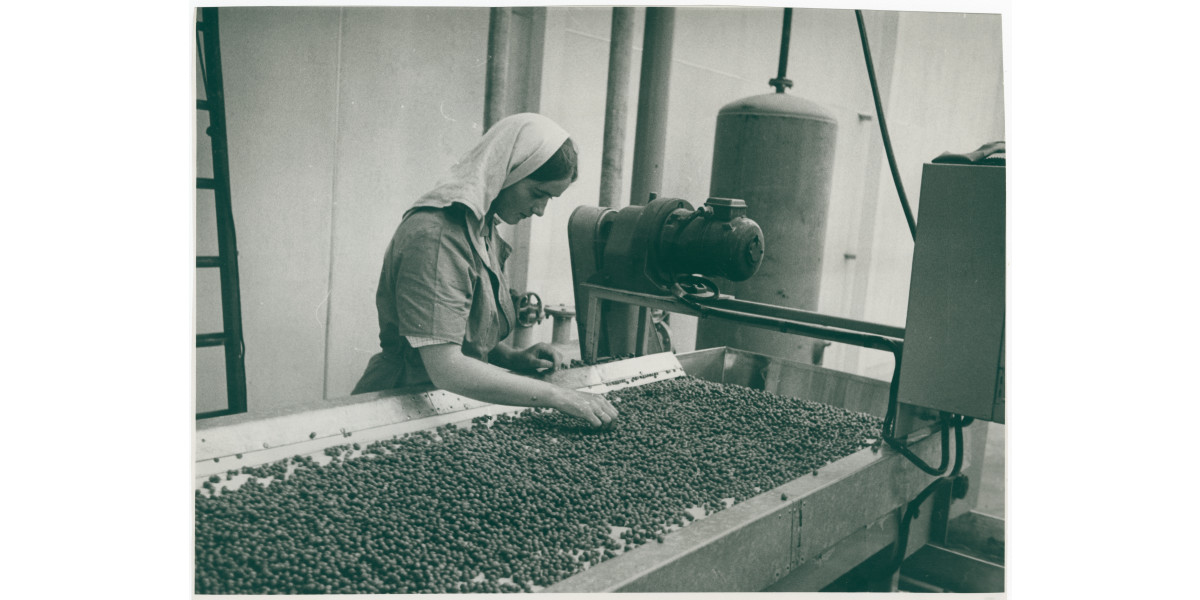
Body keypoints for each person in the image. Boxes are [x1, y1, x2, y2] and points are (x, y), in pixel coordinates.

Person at [353, 113, 619, 428]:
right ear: (507, 171)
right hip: (403, 404)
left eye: (549, 199)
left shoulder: (482, 229)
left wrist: (511, 356)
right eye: (538, 193)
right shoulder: (437, 234)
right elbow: (445, 365)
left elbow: (462, 331)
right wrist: (558, 396)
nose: (540, 210)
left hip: (450, 403)